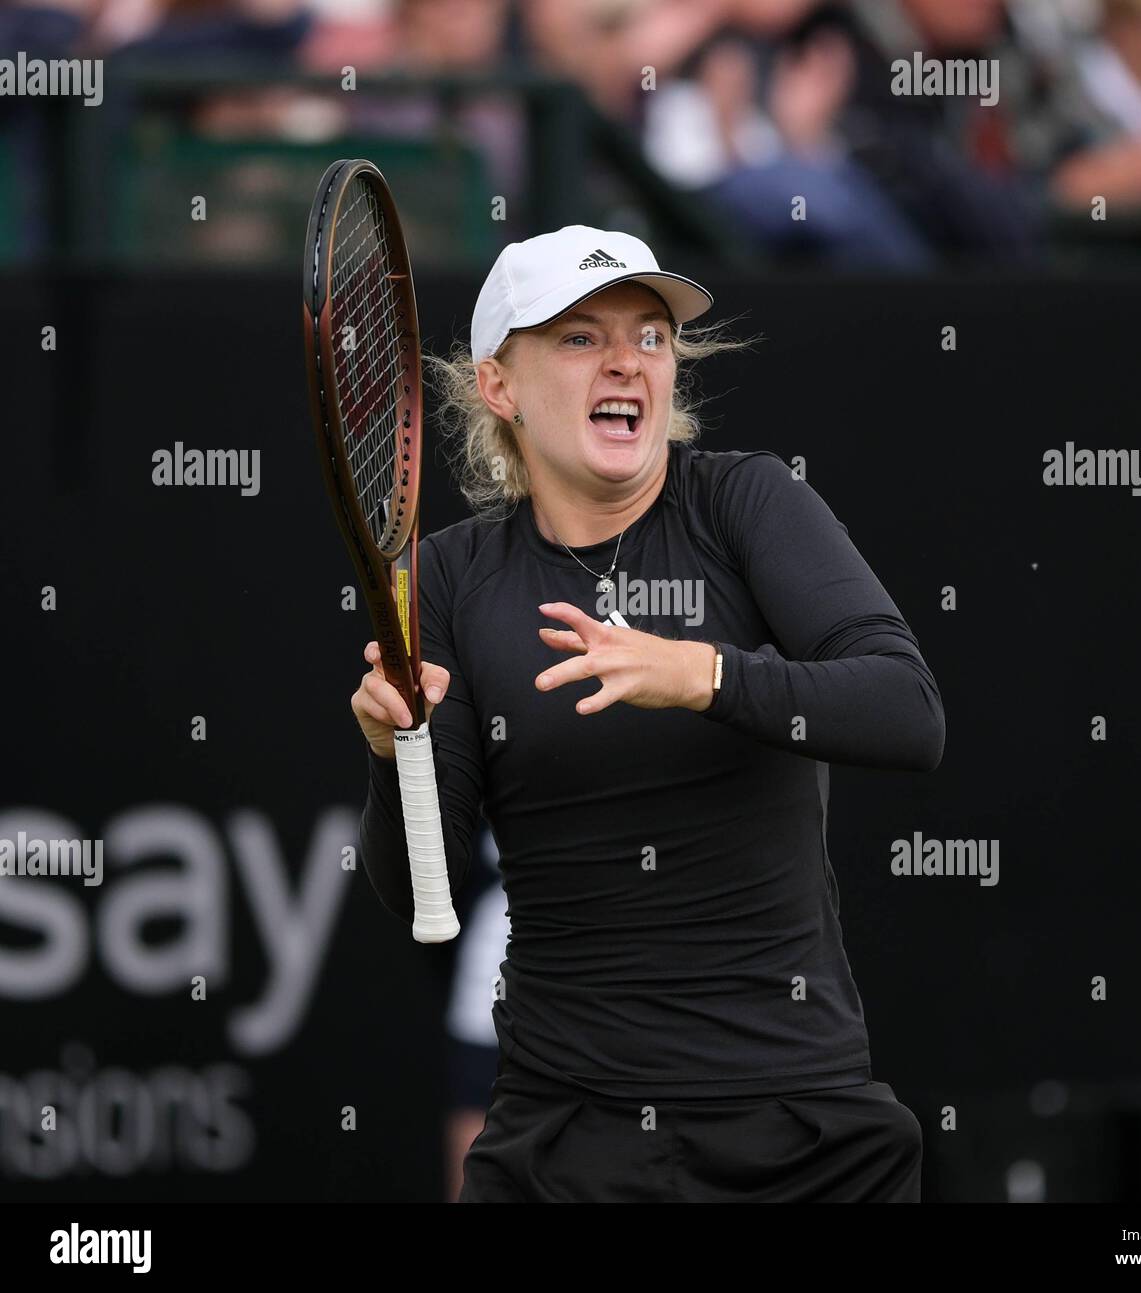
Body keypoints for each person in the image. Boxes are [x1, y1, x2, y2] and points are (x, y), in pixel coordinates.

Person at [353, 224, 945, 1202]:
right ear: (499, 387)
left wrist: (702, 676)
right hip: (567, 1142)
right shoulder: (445, 579)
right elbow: (424, 889)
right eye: (581, 338)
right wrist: (393, 749)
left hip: (799, 1134)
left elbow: (906, 711)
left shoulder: (746, 503)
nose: (627, 359)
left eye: (650, 335)